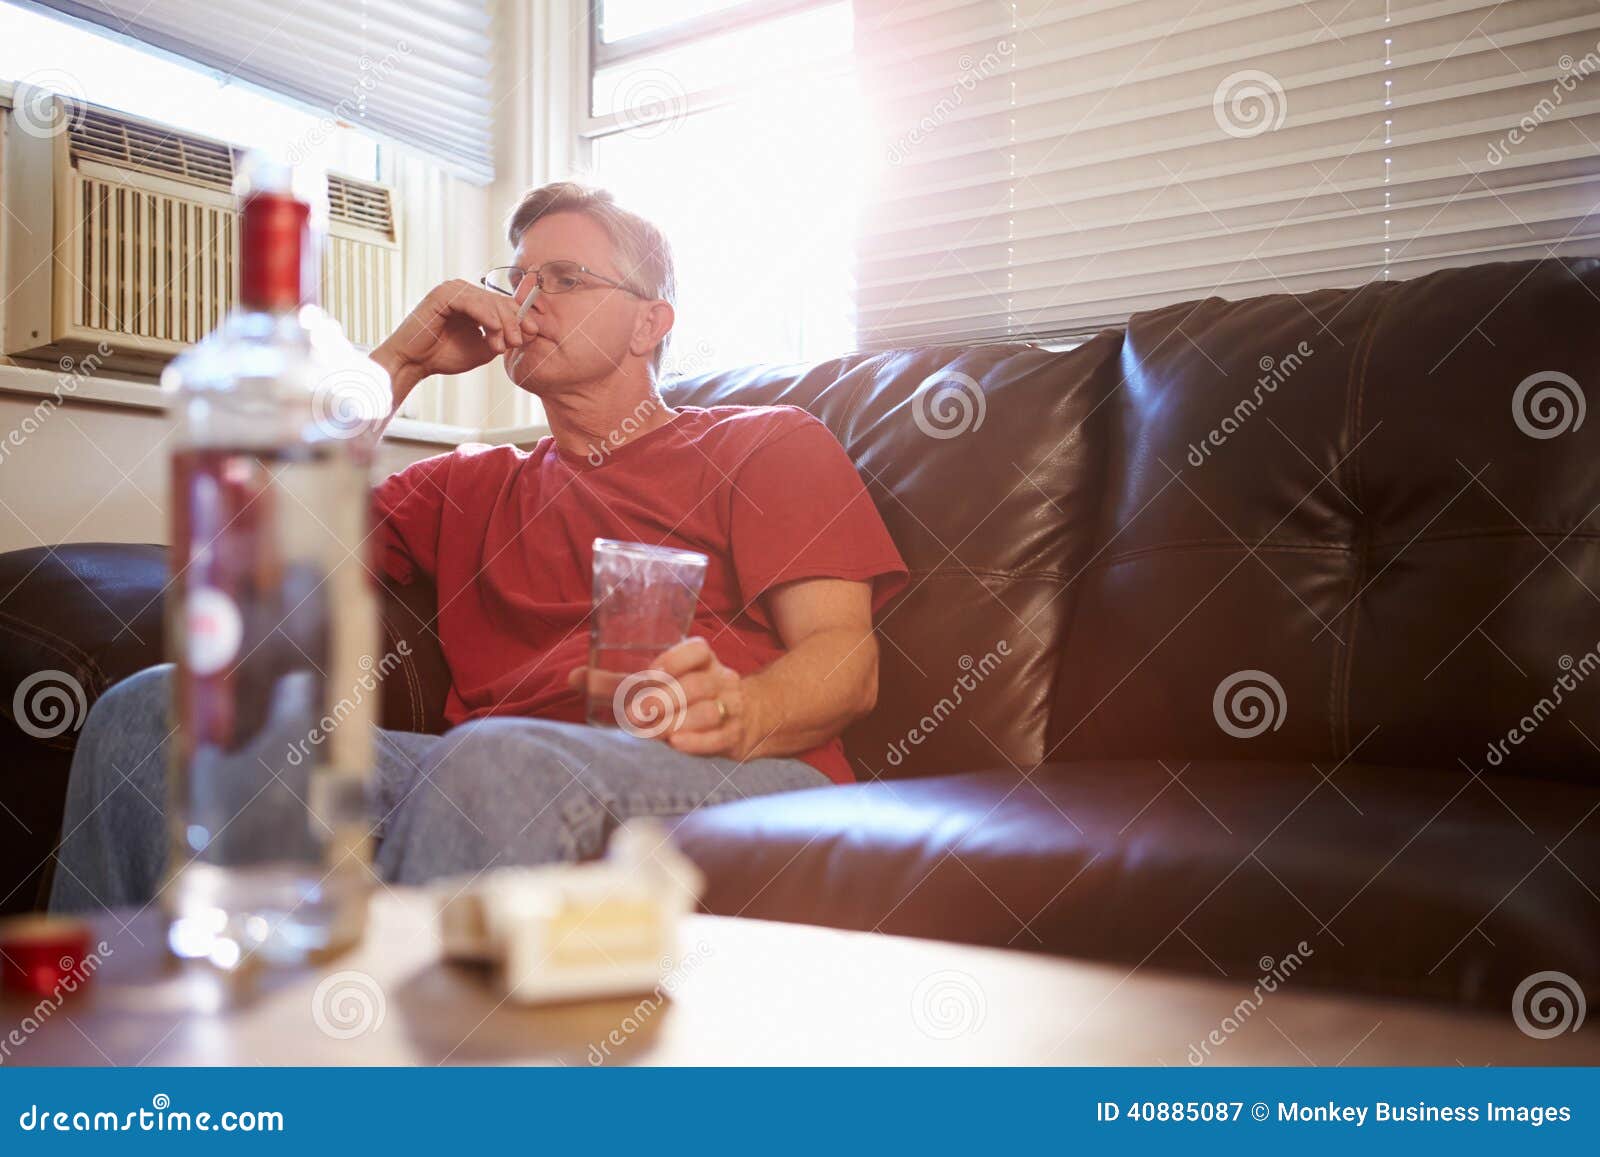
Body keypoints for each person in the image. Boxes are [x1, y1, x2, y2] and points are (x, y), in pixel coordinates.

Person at [50, 182, 907, 912]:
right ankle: (96, 1072)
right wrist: (401, 359)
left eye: (564, 278)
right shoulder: (466, 485)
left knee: (492, 759)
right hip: (483, 775)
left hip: (739, 773)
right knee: (154, 711)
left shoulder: (764, 443)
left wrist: (740, 711)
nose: (528, 300)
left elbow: (846, 660)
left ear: (651, 322)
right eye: (517, 277)